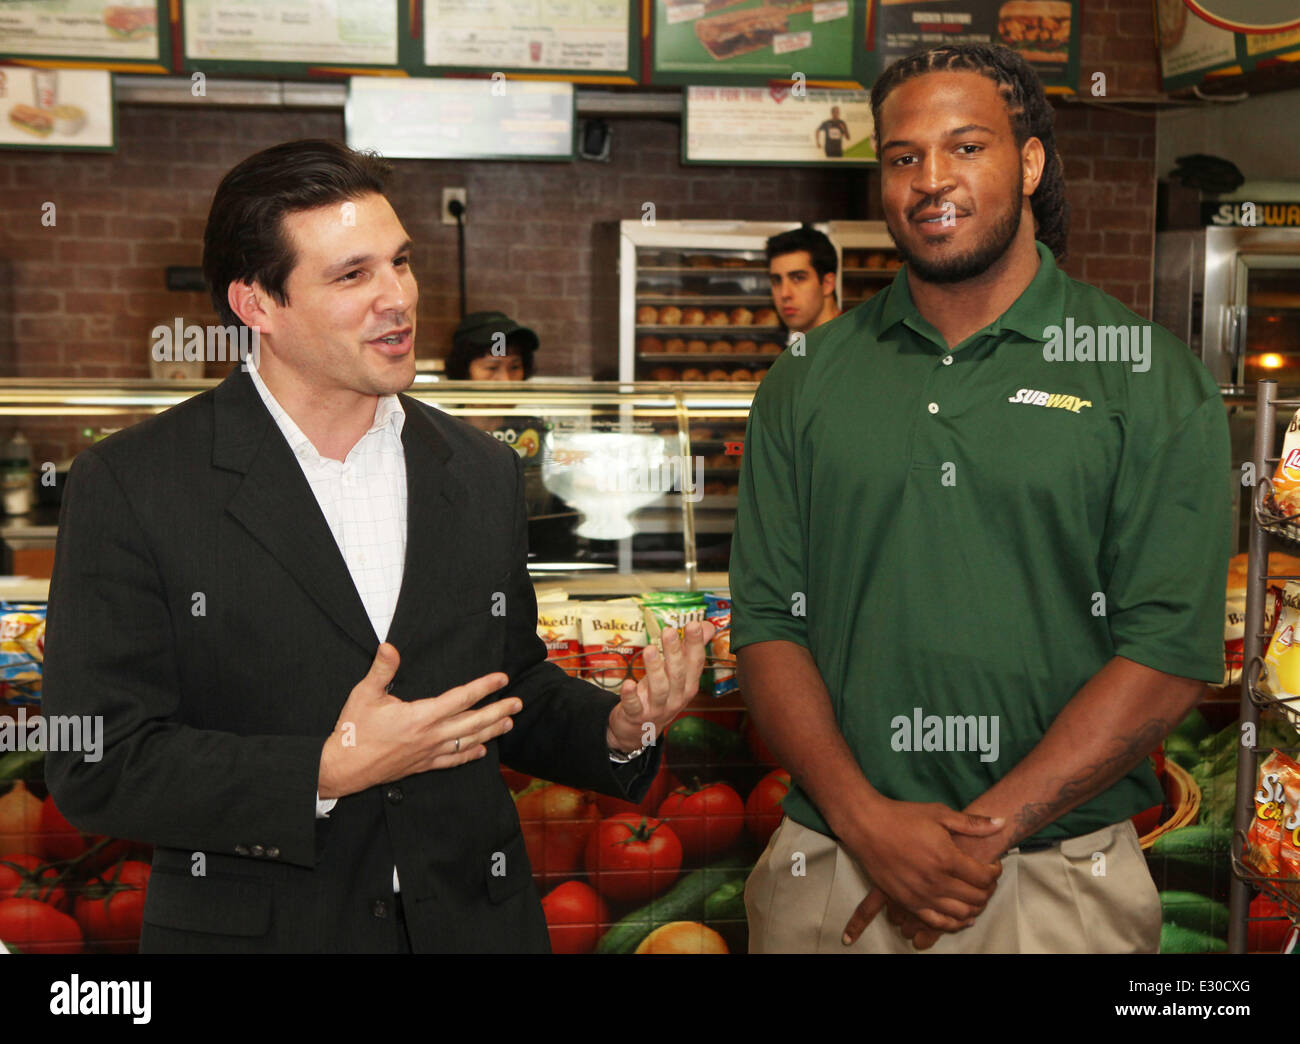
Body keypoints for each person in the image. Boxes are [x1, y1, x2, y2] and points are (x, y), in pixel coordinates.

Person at [41, 139, 713, 954]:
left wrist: (617, 726)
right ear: (257, 304)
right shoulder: (135, 482)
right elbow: (97, 761)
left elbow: (507, 681)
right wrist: (323, 770)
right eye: (352, 275)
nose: (397, 298)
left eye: (401, 262)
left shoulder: (478, 467)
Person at [730, 44, 1230, 954]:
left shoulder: (1145, 377)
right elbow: (767, 623)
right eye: (903, 157)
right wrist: (869, 821)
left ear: (1030, 162)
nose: (931, 180)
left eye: (967, 147)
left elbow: (1168, 653)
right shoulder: (807, 379)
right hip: (832, 867)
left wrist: (983, 834)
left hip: (1054, 882)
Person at [765, 226, 840, 340]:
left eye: (798, 278)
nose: (784, 294)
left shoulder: (855, 346)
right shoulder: (801, 343)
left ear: (827, 284)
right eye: (777, 281)